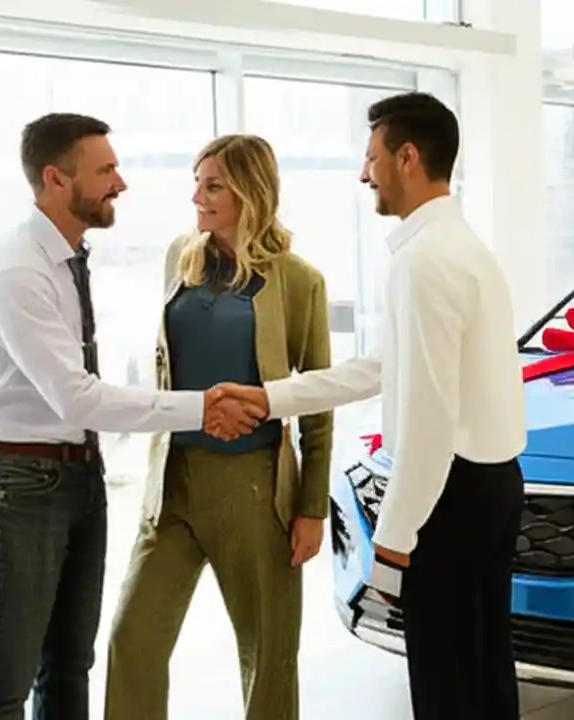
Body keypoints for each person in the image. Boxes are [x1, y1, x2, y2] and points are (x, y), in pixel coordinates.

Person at [220, 92, 527, 720]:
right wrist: (271, 397)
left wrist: (393, 539)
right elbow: (383, 368)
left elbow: (428, 418)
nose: (365, 175)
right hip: (492, 485)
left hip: (453, 495)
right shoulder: (461, 247)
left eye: (372, 158)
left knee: (447, 682)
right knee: (484, 668)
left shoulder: (425, 262)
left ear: (407, 158)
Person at [0, 113, 264, 720]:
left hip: (72, 476)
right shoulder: (19, 269)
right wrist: (200, 407)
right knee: (3, 688)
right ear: (54, 179)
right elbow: (78, 397)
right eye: (105, 171)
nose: (120, 183)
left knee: (70, 668)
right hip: (19, 486)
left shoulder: (68, 255)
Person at [103, 134, 333, 720]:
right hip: (175, 483)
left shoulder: (299, 281)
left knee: (268, 659)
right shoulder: (181, 256)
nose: (197, 197)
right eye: (196, 182)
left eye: (213, 185)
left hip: (255, 492)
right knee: (133, 641)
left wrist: (312, 508)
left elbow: (318, 403)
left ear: (251, 192)